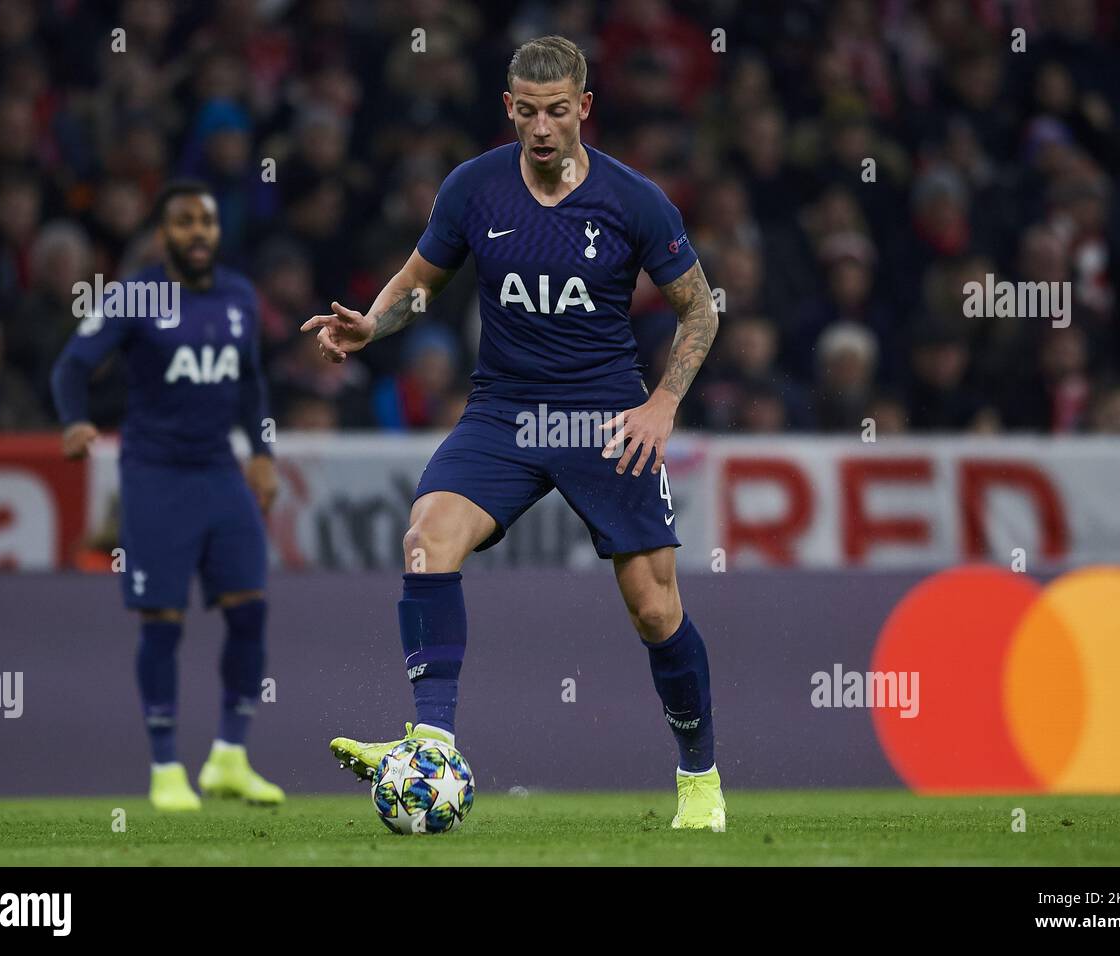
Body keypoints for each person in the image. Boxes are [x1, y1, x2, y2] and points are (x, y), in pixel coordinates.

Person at [304, 36, 725, 830]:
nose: (541, 127)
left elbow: (699, 308)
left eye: (556, 111)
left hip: (605, 416)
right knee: (427, 537)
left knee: (653, 608)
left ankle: (699, 777)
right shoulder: (473, 188)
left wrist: (664, 402)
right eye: (527, 111)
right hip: (504, 411)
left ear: (584, 108)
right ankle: (432, 742)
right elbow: (418, 283)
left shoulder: (635, 200)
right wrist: (373, 324)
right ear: (508, 107)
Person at [50, 181, 284, 811]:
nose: (198, 233)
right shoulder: (136, 296)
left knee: (250, 608)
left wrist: (262, 453)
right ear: (163, 235)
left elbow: (251, 385)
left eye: (207, 221)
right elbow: (72, 366)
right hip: (155, 477)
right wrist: (74, 421)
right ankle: (164, 767)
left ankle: (229, 757)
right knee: (163, 622)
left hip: (220, 472)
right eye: (184, 222)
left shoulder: (239, 295)